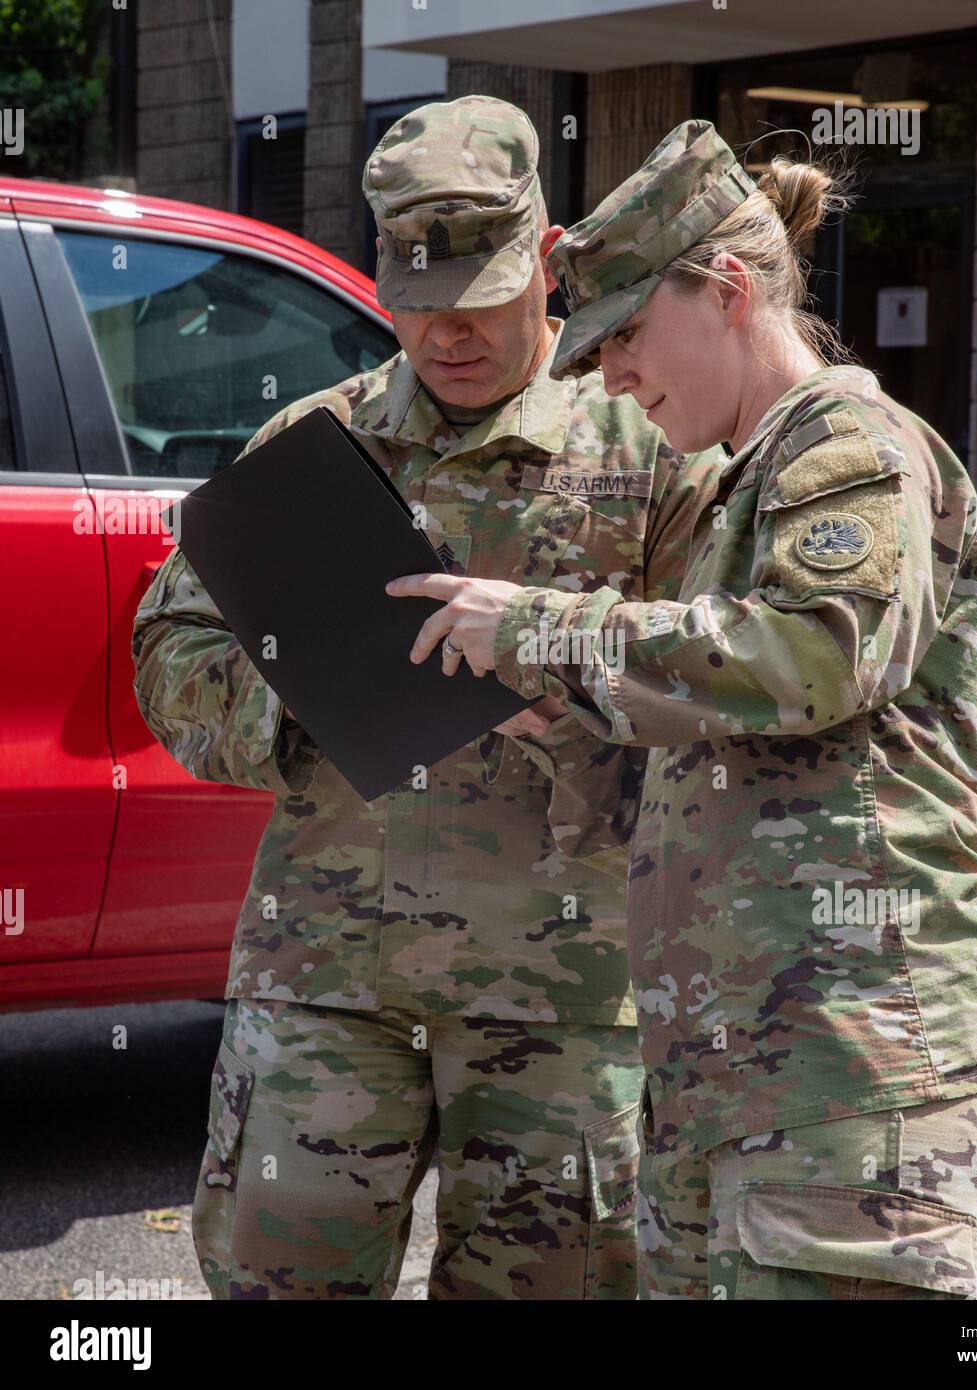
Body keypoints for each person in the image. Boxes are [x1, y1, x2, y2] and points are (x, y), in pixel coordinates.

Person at [387, 119, 977, 1300]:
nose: (615, 377)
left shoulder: (849, 445)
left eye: (629, 335)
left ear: (728, 290)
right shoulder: (751, 480)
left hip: (852, 1087)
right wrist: (575, 726)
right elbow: (759, 760)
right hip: (740, 1090)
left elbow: (808, 653)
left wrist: (542, 626)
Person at [132, 97, 725, 1300]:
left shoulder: (648, 447)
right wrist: (313, 692)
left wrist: (564, 677)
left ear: (544, 268)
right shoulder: (316, 444)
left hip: (567, 995)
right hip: (328, 981)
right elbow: (167, 657)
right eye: (415, 302)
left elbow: (730, 685)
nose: (445, 334)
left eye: (479, 301)